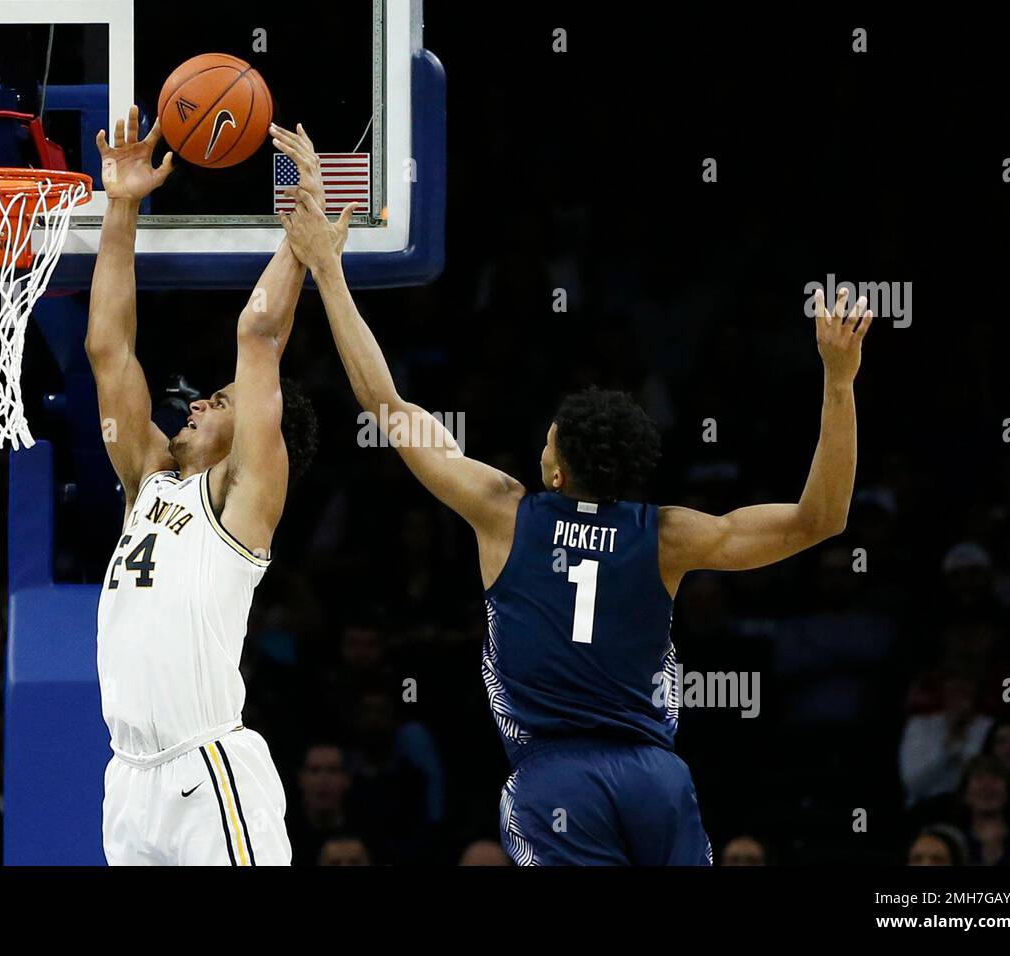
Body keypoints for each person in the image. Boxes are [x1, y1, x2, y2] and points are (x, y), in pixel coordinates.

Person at [275, 133, 874, 864]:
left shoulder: (503, 508)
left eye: (547, 441)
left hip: (557, 779)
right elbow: (824, 519)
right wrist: (839, 382)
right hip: (657, 778)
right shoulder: (670, 535)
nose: (540, 446)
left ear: (557, 471)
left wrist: (329, 272)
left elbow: (386, 404)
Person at [88, 108, 319, 865]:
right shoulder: (146, 479)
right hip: (127, 781)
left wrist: (302, 230)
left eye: (219, 401)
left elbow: (258, 337)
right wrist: (121, 206)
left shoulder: (243, 498)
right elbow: (108, 348)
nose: (197, 403)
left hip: (206, 769)